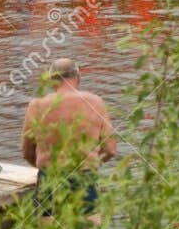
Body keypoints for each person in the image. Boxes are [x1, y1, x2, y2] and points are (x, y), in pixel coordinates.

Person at [22, 58, 116, 220]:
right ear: (78, 77)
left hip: (49, 178)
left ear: (52, 79)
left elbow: (27, 152)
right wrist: (91, 162)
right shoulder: (95, 103)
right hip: (84, 177)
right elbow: (110, 149)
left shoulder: (36, 106)